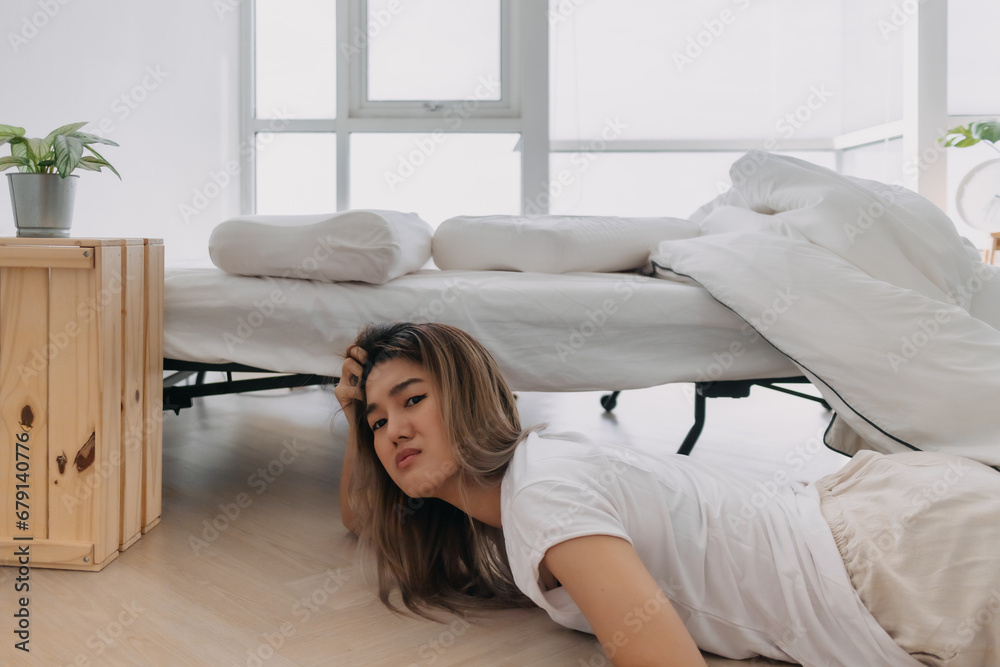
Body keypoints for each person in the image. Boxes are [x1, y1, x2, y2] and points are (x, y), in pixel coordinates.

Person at [336, 322, 1000, 667]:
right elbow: (362, 513)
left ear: (472, 394)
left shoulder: (543, 494)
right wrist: (349, 415)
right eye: (377, 421)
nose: (393, 429)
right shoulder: (531, 484)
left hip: (901, 564)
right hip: (877, 517)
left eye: (413, 400)